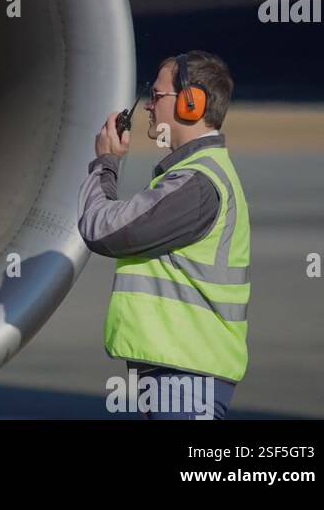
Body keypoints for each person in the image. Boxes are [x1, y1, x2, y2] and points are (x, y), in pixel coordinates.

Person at [78, 51, 250, 420]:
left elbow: (101, 229)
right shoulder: (193, 175)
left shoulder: (197, 182)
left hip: (186, 376)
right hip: (179, 372)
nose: (148, 109)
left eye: (156, 97)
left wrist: (105, 164)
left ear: (191, 103)